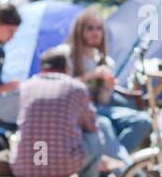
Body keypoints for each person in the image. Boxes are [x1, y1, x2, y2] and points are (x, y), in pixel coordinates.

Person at [10, 46, 104, 177]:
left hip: (27, 164)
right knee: (96, 137)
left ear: (42, 67)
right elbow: (91, 124)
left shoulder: (26, 87)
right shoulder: (76, 87)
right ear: (66, 68)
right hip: (63, 163)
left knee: (38, 142)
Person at [65, 8, 153, 160]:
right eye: (90, 28)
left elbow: (104, 101)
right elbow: (62, 86)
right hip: (76, 111)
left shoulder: (106, 61)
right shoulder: (67, 55)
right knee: (104, 124)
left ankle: (109, 166)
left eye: (99, 28)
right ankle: (127, 172)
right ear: (80, 31)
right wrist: (89, 76)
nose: (95, 33)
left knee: (143, 121)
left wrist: (107, 87)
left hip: (100, 108)